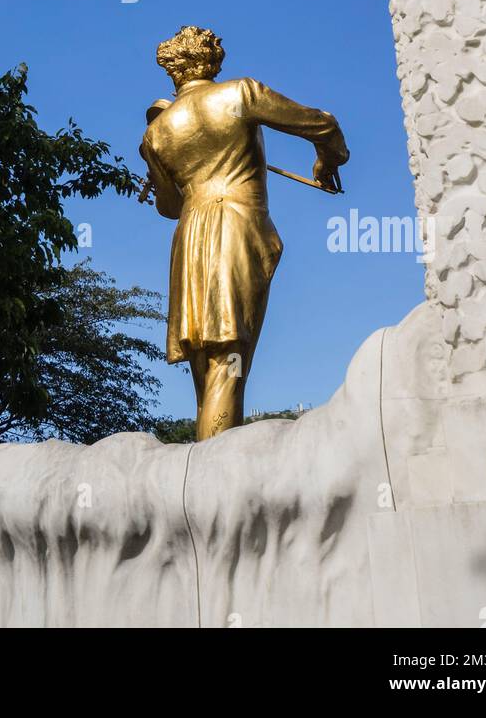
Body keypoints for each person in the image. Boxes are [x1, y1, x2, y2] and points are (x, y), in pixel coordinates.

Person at [139, 25, 349, 440]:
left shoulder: (157, 132)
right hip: (234, 225)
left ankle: (205, 463)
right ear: (212, 60)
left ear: (172, 69)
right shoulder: (239, 94)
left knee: (205, 362)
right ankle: (216, 476)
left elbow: (168, 208)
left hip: (190, 234)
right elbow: (323, 125)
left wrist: (165, 172)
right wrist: (329, 161)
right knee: (228, 360)